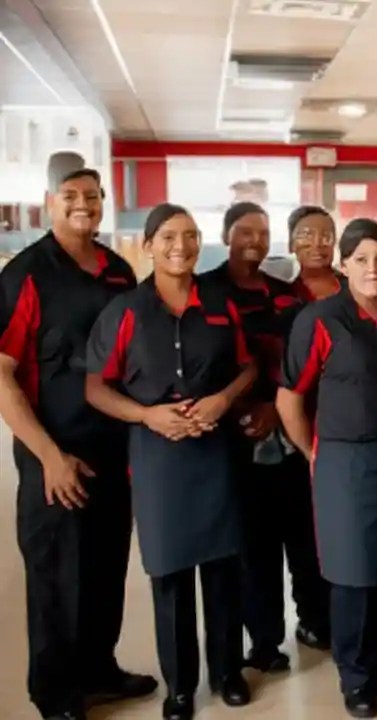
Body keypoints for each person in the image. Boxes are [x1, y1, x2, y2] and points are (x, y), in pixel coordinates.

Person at [85, 203, 258, 719]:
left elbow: (249, 367)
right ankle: (181, 687)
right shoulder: (126, 312)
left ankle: (228, 672)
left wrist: (224, 400)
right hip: (159, 458)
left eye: (189, 236)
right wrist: (146, 415)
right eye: (168, 237)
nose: (179, 246)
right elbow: (95, 387)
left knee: (225, 569)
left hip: (217, 452)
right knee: (171, 575)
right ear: (149, 245)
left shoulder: (221, 306)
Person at [0, 154, 157, 720]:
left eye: (92, 195)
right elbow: (2, 375)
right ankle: (56, 694)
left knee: (105, 567)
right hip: (54, 454)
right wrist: (48, 457)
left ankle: (99, 670)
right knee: (56, 579)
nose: (83, 205)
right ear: (50, 203)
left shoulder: (117, 270)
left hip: (112, 451)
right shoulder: (25, 275)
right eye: (70, 195)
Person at [277, 219, 377, 717]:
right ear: (343, 265)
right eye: (361, 259)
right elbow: (289, 398)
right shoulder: (320, 320)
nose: (372, 268)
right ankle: (357, 674)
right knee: (352, 573)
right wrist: (311, 451)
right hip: (343, 460)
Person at [200, 202, 331, 671]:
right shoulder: (206, 292)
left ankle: (317, 620)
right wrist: (241, 409)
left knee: (304, 538)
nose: (254, 240)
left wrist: (278, 410)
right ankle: (264, 642)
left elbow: (299, 367)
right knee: (252, 548)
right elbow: (202, 367)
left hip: (287, 432)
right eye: (244, 231)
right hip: (229, 442)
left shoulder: (286, 298)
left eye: (262, 232)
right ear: (225, 234)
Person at [288, 206, 342, 302]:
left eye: (326, 236)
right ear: (291, 244)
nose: (317, 244)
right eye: (307, 236)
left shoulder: (355, 288)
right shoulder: (285, 294)